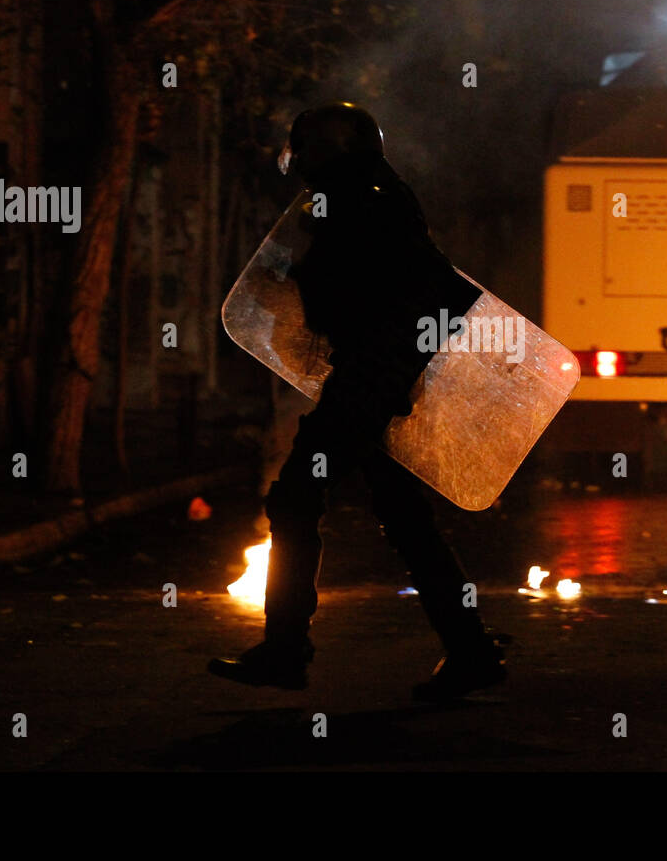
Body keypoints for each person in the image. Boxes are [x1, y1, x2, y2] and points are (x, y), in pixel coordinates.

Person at [209, 102, 507, 701]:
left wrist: (281, 282)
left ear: (325, 151)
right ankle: (470, 650)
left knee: (295, 499)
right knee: (405, 518)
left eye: (310, 150)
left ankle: (287, 652)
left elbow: (334, 304)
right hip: (383, 377)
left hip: (367, 381)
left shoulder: (353, 202)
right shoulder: (383, 195)